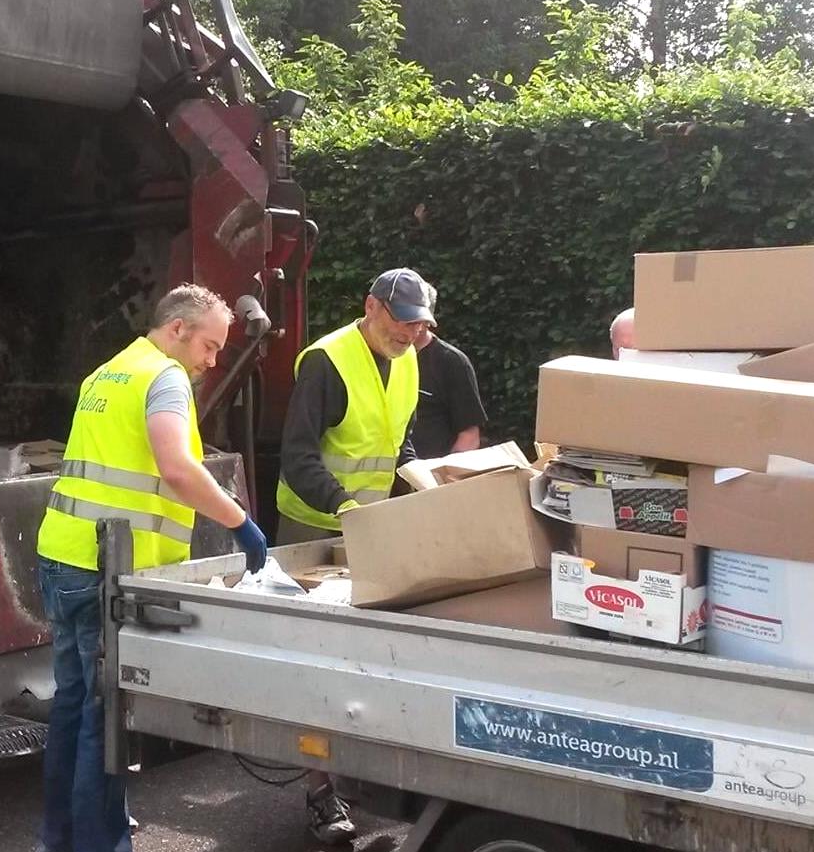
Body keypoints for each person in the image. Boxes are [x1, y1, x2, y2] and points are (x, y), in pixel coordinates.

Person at [34, 284, 269, 852]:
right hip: (102, 569)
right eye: (210, 346)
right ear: (178, 329)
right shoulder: (163, 378)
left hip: (62, 554)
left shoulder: (108, 372)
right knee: (102, 716)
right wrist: (240, 521)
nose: (212, 361)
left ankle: (57, 839)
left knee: (70, 706)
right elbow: (177, 469)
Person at [273, 267, 433, 843]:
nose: (410, 334)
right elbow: (297, 456)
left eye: (419, 325)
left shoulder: (409, 357)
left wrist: (430, 487)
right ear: (371, 306)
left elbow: (399, 443)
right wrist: (345, 506)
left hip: (364, 528)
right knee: (320, 658)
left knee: (363, 656)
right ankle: (320, 791)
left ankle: (353, 773)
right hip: (311, 527)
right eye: (402, 321)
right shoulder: (327, 361)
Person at [412, 329, 486, 458]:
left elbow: (469, 435)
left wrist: (446, 473)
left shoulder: (452, 362)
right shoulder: (382, 356)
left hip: (429, 474)